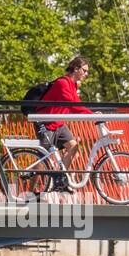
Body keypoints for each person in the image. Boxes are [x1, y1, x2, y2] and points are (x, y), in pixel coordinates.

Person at [35, 56, 92, 192]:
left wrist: (91, 113)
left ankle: (60, 179)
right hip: (46, 122)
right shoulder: (62, 83)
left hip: (59, 123)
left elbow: (76, 104)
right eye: (84, 71)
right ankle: (31, 191)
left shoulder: (72, 85)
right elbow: (72, 105)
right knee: (42, 159)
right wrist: (92, 115)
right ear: (76, 69)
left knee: (73, 147)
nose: (86, 74)